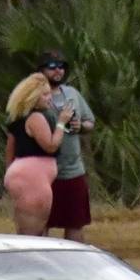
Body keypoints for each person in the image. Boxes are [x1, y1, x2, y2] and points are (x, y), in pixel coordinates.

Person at [37, 52, 97, 243]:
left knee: (75, 225)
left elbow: (90, 122)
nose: (58, 70)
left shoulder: (72, 93)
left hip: (73, 171)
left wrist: (81, 127)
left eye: (61, 66)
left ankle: (74, 268)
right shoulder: (34, 97)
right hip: (44, 172)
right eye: (52, 65)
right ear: (41, 70)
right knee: (40, 226)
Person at [1, 71, 67, 236]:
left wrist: (9, 173)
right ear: (33, 97)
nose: (49, 98)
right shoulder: (35, 118)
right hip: (33, 179)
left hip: (22, 175)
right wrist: (61, 123)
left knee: (27, 228)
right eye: (44, 95)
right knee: (32, 231)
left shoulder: (17, 120)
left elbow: (9, 149)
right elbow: (50, 146)